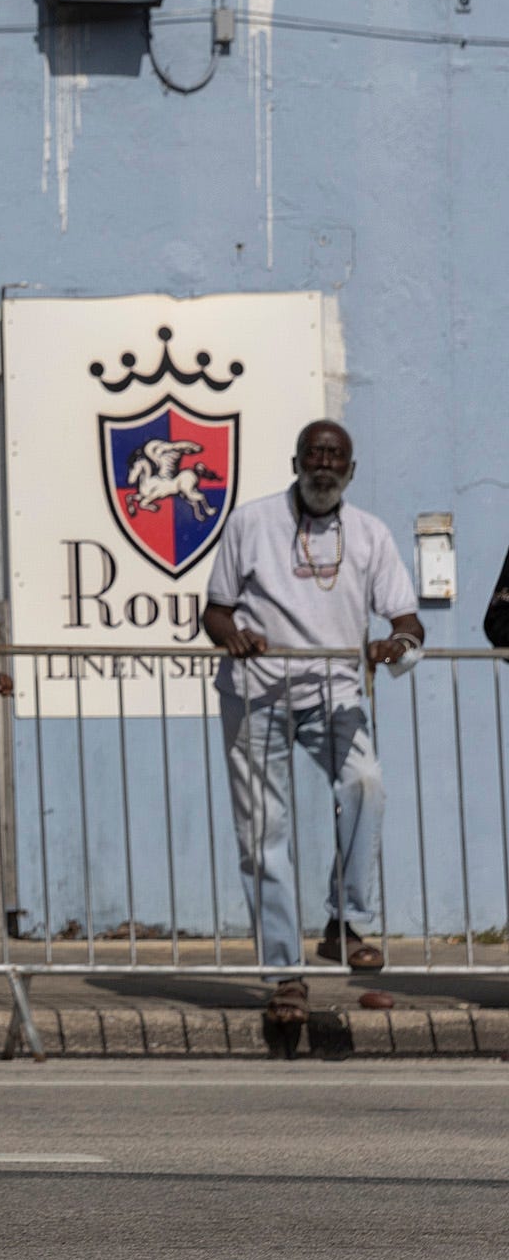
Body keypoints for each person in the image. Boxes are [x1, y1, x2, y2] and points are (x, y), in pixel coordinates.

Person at [201, 420, 425, 1021]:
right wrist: (234, 636)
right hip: (256, 693)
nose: (324, 464)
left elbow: (408, 620)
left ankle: (345, 922)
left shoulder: (371, 535)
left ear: (352, 470)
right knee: (263, 834)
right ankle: (284, 977)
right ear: (296, 460)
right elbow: (215, 612)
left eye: (336, 457)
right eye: (315, 454)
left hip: (335, 693)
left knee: (365, 785)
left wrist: (395, 645)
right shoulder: (251, 523)